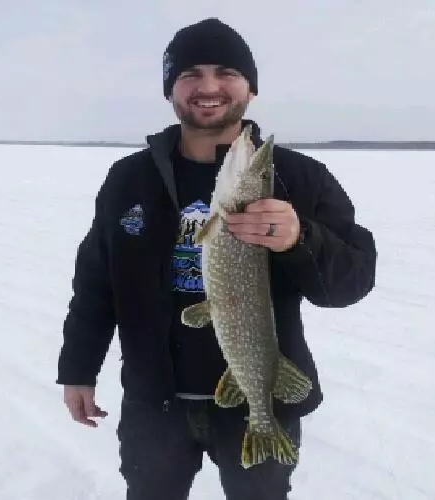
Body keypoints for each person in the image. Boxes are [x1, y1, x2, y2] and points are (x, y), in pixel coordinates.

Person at [56, 17, 377, 500]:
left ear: (250, 86)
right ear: (170, 89)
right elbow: (96, 284)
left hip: (260, 397)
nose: (208, 87)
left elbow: (353, 281)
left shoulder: (299, 178)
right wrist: (78, 368)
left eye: (226, 72)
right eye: (190, 74)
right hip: (154, 406)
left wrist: (299, 239)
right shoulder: (128, 179)